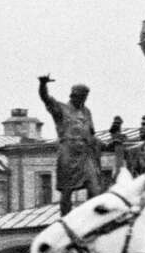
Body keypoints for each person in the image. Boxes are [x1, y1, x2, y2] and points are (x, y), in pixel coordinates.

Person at [38, 74, 103, 211]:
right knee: (67, 191)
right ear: (73, 96)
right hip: (68, 153)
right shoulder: (61, 109)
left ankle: (91, 216)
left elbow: (91, 135)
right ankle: (65, 218)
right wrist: (43, 84)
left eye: (85, 97)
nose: (83, 100)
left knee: (94, 188)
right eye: (81, 97)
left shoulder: (86, 112)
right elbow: (46, 99)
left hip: (85, 154)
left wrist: (106, 145)